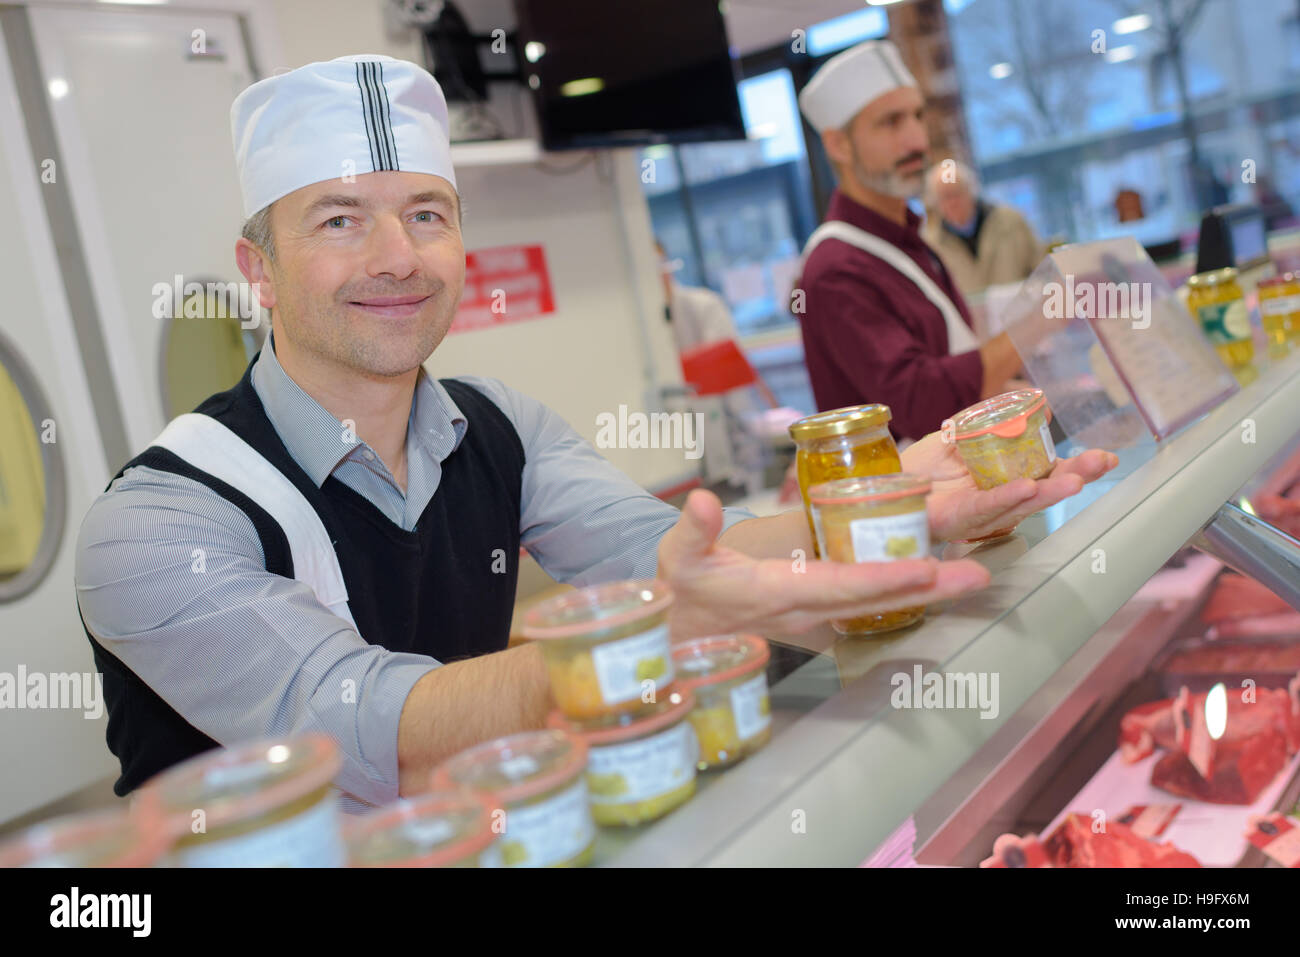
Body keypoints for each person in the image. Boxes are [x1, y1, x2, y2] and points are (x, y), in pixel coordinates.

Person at [75, 55, 1116, 811]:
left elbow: (665, 554)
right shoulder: (158, 523)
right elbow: (355, 721)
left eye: (428, 215)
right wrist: (642, 634)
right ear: (258, 269)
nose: (397, 256)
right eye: (340, 219)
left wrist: (893, 498)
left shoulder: (497, 429)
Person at [796, 40, 1031, 441]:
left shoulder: (909, 242)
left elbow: (949, 371)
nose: (917, 141)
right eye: (891, 122)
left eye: (918, 117)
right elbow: (920, 405)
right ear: (838, 145)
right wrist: (1036, 322)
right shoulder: (835, 269)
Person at [657, 239, 776, 488]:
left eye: (660, 267)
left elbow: (720, 369)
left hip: (731, 431)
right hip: (684, 451)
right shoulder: (647, 323)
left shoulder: (703, 305)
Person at [921, 160, 1045, 298]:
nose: (953, 202)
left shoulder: (1011, 221)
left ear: (971, 190)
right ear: (934, 202)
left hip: (1022, 311)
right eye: (945, 197)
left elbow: (1042, 270)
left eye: (957, 193)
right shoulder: (930, 244)